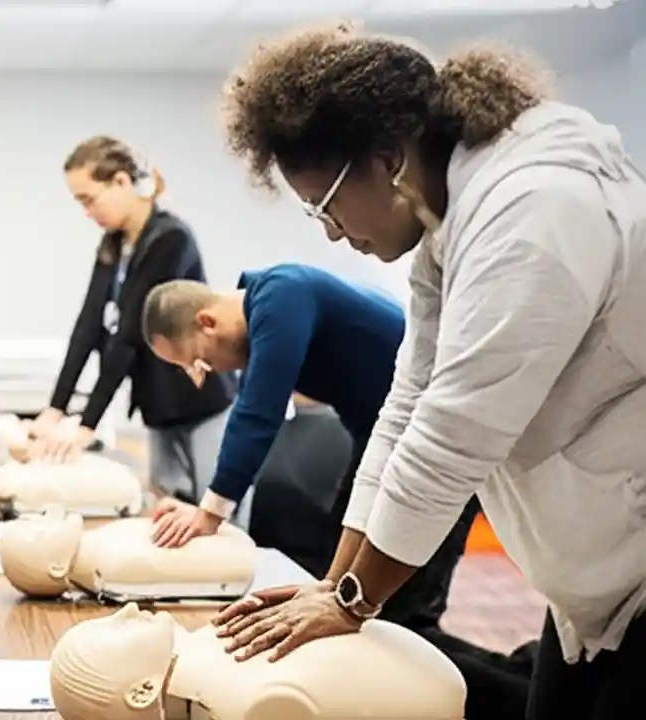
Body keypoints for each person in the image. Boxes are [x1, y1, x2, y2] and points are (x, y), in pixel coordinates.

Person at [208, 23, 646, 720]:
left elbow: (451, 437)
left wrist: (354, 602)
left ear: (387, 159)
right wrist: (336, 583)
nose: (327, 232)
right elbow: (405, 407)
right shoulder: (447, 236)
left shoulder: (536, 212)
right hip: (594, 580)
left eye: (324, 205)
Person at [141, 268, 530, 719]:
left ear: (207, 322)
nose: (202, 374)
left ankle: (530, 696)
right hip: (383, 453)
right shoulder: (269, 304)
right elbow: (251, 413)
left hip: (436, 459)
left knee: (390, 623)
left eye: (197, 360)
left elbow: (258, 411)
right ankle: (527, 679)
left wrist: (208, 514)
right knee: (338, 609)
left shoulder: (280, 294)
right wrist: (208, 510)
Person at [29, 136, 236, 503]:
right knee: (168, 508)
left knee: (216, 513)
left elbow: (129, 335)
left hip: (203, 401)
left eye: (88, 199)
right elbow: (89, 325)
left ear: (121, 182)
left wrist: (87, 424)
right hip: (159, 405)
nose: (87, 212)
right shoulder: (114, 244)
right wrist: (56, 408)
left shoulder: (170, 238)